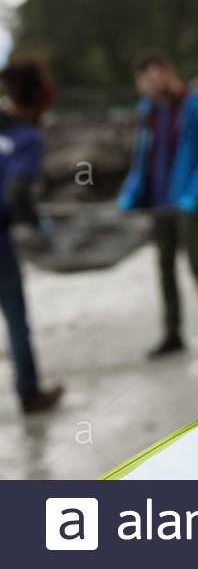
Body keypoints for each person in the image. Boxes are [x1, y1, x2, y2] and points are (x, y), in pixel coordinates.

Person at [117, 50, 198, 361]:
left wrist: (194, 194)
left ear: (168, 72)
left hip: (190, 202)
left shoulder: (197, 107)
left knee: (196, 262)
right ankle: (173, 334)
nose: (153, 85)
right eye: (146, 81)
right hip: (159, 203)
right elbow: (142, 161)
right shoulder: (148, 113)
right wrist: (130, 193)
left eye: (157, 76)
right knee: (164, 267)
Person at [0, 55, 64, 414]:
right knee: (15, 316)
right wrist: (35, 226)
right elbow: (17, 193)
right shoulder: (28, 138)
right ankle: (29, 393)